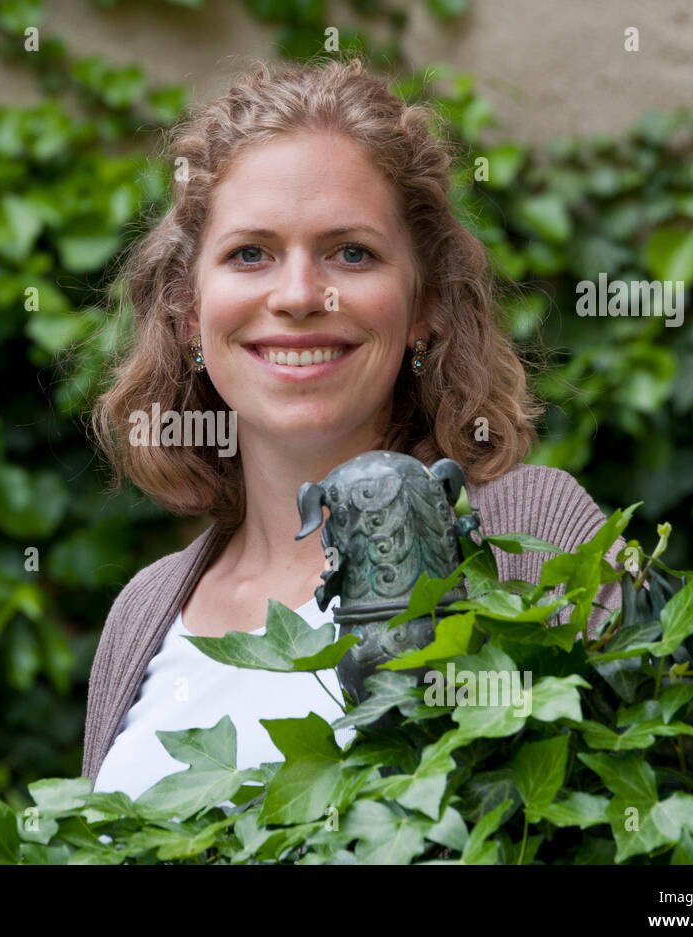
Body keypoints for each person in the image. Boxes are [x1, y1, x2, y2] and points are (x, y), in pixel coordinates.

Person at [81, 57, 625, 800]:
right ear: (188, 312)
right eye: (250, 254)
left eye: (352, 252)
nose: (301, 294)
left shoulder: (530, 533)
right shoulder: (144, 616)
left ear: (424, 304)